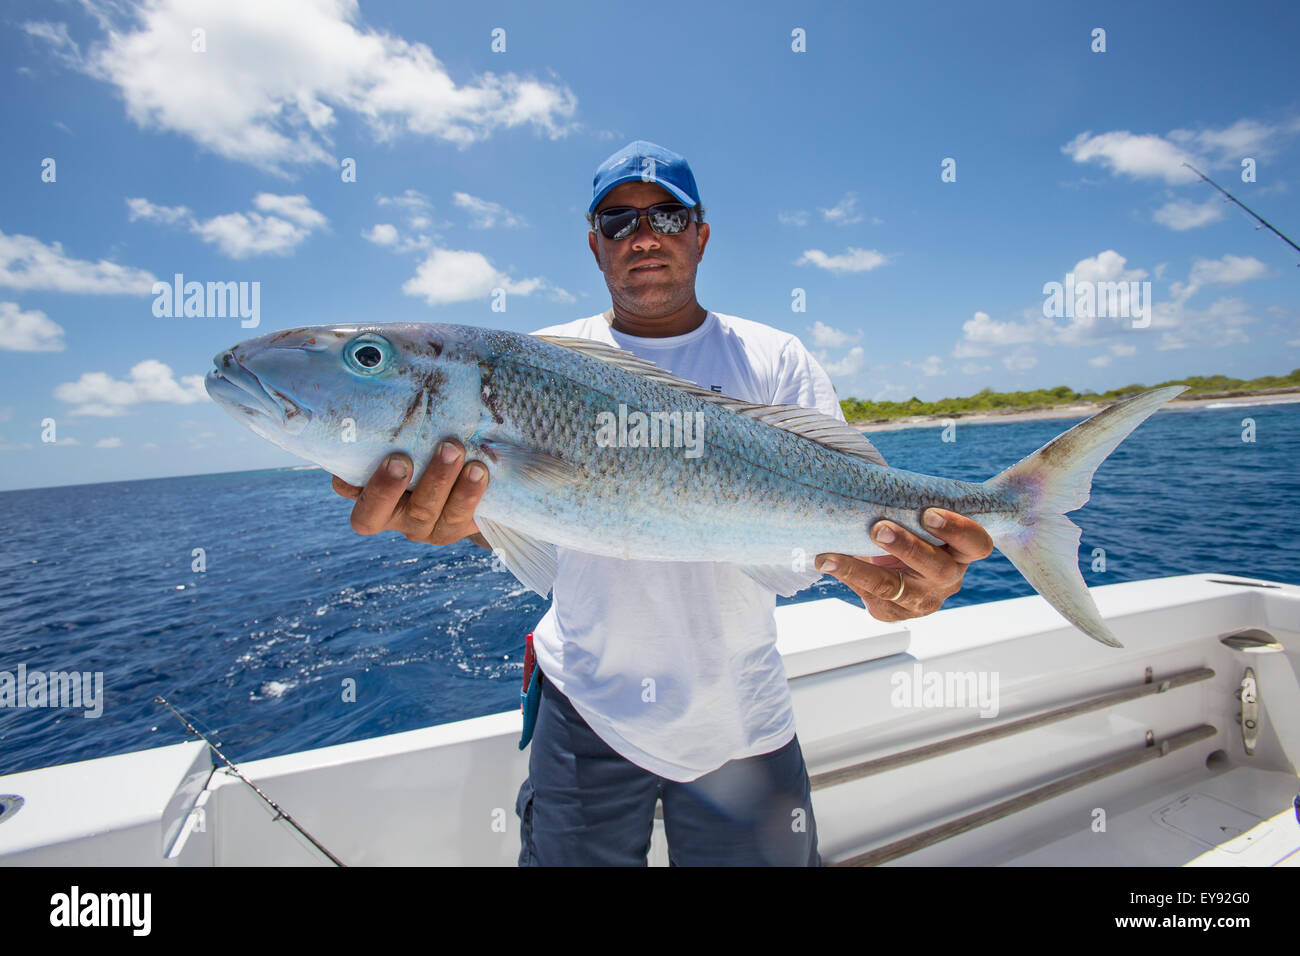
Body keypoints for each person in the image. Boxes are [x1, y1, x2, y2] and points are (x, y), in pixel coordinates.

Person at [331, 141, 994, 866]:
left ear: (701, 235)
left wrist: (900, 584)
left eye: (667, 216)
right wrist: (461, 521)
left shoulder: (775, 359)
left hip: (743, 717)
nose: (642, 236)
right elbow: (533, 525)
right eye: (617, 222)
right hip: (583, 707)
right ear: (594, 246)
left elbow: (827, 531)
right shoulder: (548, 353)